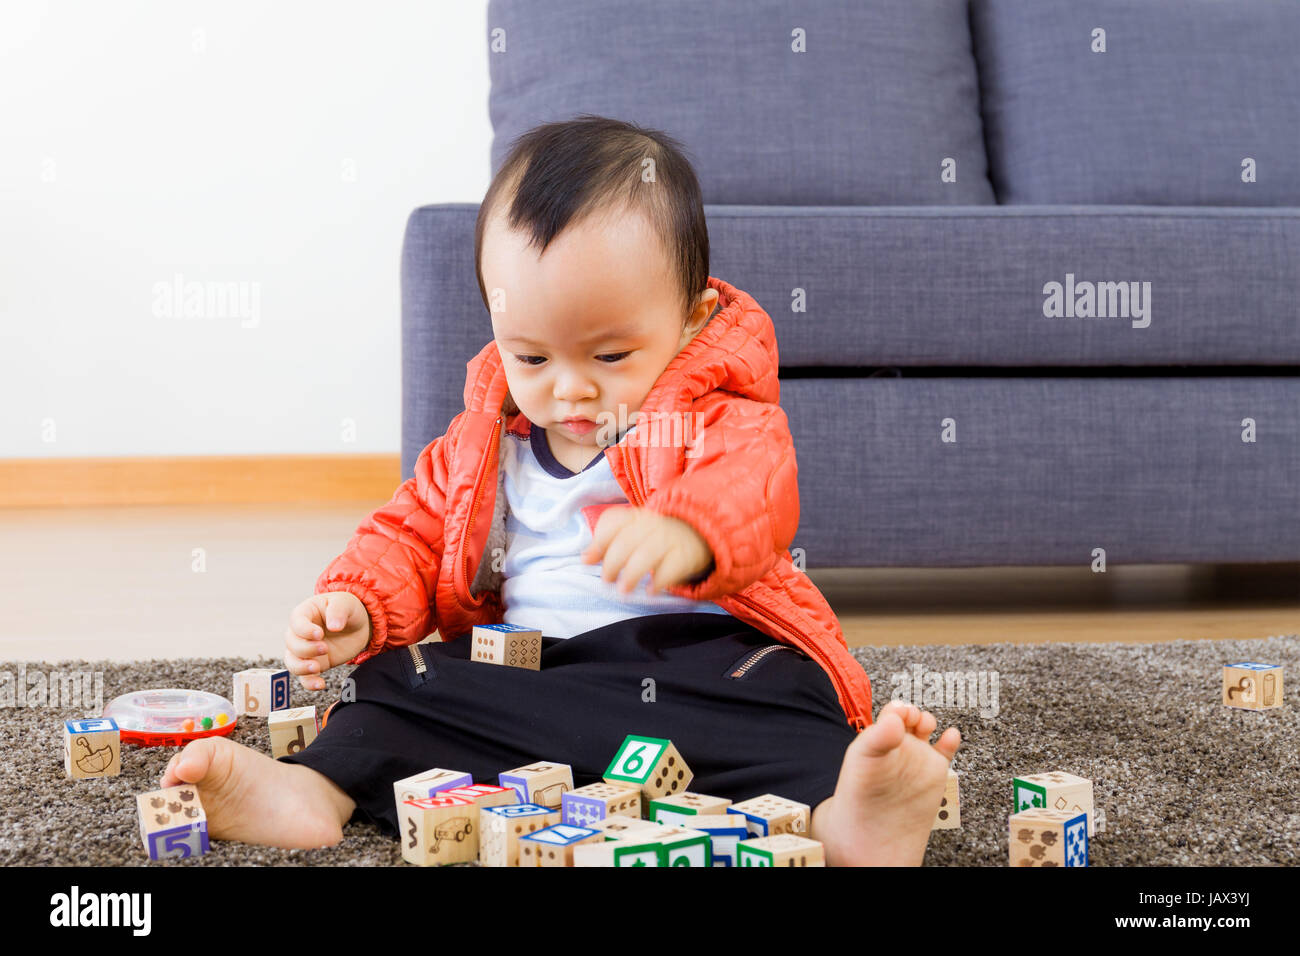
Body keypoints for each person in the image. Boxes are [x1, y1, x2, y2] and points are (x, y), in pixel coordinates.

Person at [160, 115, 960, 865]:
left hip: (700, 670)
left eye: (610, 355)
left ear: (691, 319)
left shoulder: (711, 420)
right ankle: (314, 791)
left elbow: (755, 485)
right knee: (399, 687)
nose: (571, 392)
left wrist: (690, 532)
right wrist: (358, 604)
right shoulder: (485, 447)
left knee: (788, 699)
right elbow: (411, 533)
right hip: (534, 678)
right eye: (534, 358)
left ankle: (844, 819)